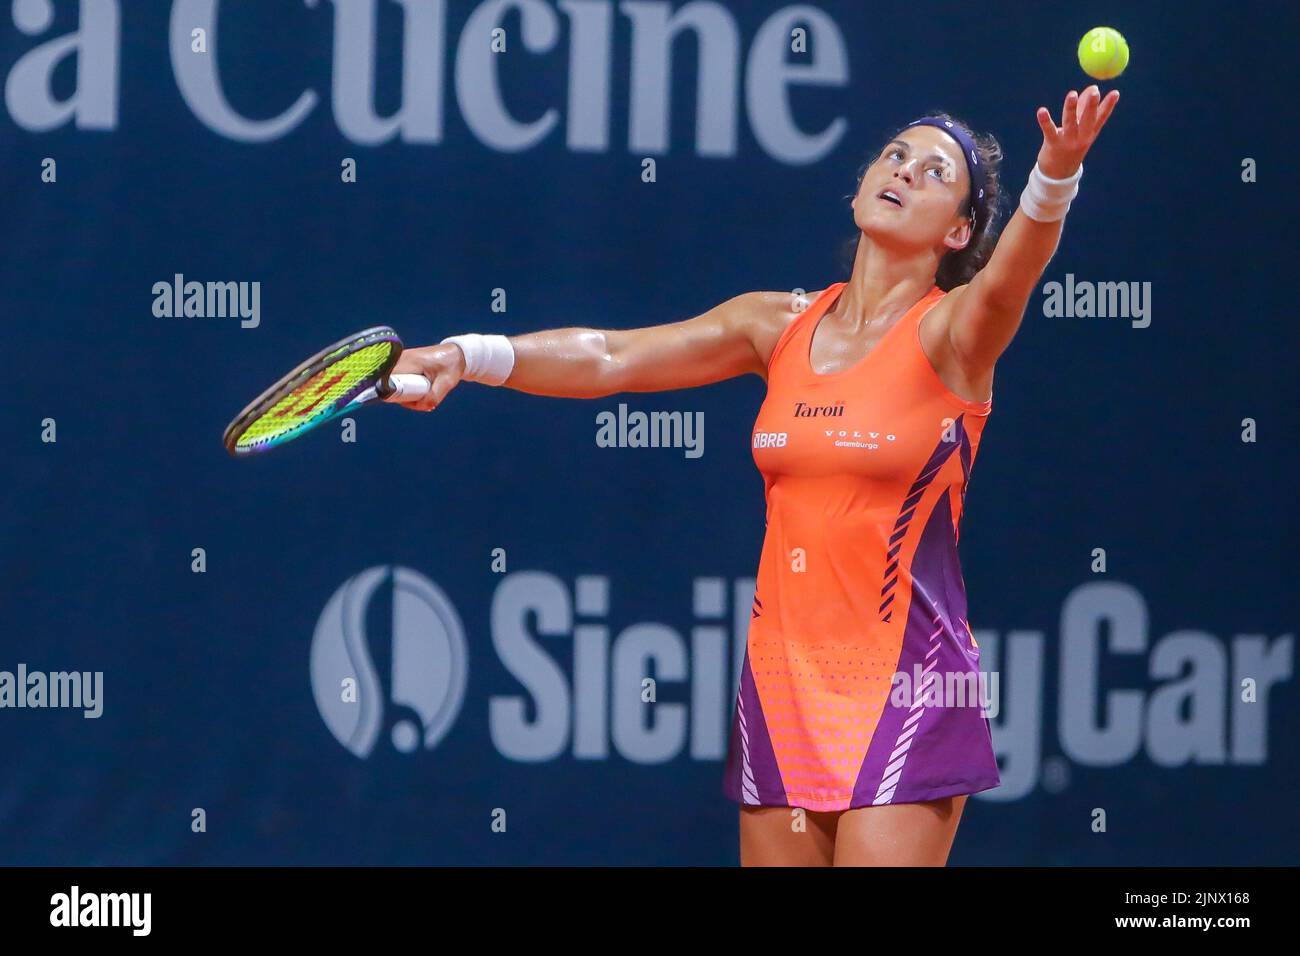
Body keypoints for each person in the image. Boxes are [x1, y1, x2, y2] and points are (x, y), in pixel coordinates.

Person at [389, 86, 1120, 866]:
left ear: (959, 229)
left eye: (935, 172)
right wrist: (465, 356)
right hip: (782, 684)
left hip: (912, 686)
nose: (904, 170)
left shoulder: (955, 333)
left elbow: (1014, 275)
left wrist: (1057, 174)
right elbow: (613, 357)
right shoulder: (772, 325)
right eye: (895, 154)